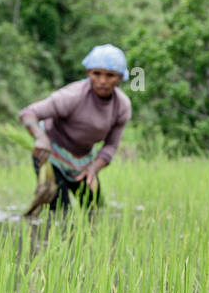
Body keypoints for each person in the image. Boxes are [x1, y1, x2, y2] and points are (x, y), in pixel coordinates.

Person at [20, 44, 131, 214]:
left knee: (95, 210)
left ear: (120, 78)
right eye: (97, 74)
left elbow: (110, 146)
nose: (103, 81)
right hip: (51, 155)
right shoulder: (73, 96)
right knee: (61, 213)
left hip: (83, 162)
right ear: (88, 73)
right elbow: (29, 113)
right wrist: (40, 138)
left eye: (110, 75)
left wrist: (93, 169)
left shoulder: (121, 106)